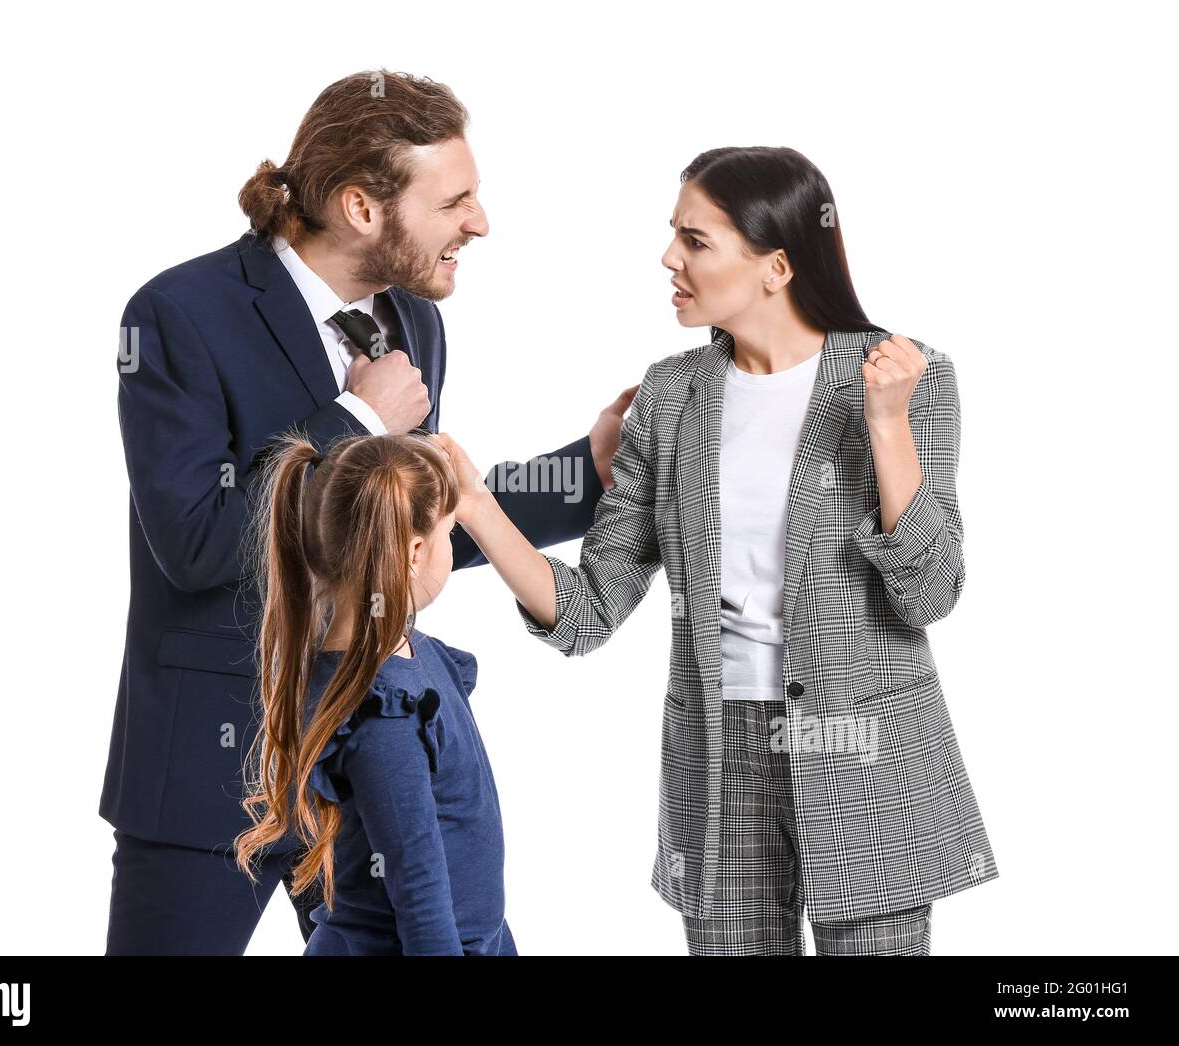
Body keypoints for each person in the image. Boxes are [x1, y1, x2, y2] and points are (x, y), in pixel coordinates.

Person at [100, 69, 632, 954]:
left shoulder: (412, 324)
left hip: (366, 766)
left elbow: (408, 530)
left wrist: (584, 475)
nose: (480, 222)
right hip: (209, 767)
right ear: (360, 207)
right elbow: (193, 542)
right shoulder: (177, 314)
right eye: (454, 200)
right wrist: (356, 421)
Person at [436, 145, 999, 956]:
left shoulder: (909, 378)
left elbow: (930, 594)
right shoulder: (670, 396)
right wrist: (480, 508)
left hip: (866, 757)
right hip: (719, 760)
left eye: (696, 242)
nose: (670, 258)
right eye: (675, 236)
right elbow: (590, 610)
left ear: (776, 266)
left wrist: (886, 424)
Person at [235, 431, 514, 955]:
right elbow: (419, 891)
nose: (450, 548)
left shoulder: (411, 656)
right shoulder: (384, 717)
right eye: (449, 533)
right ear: (414, 551)